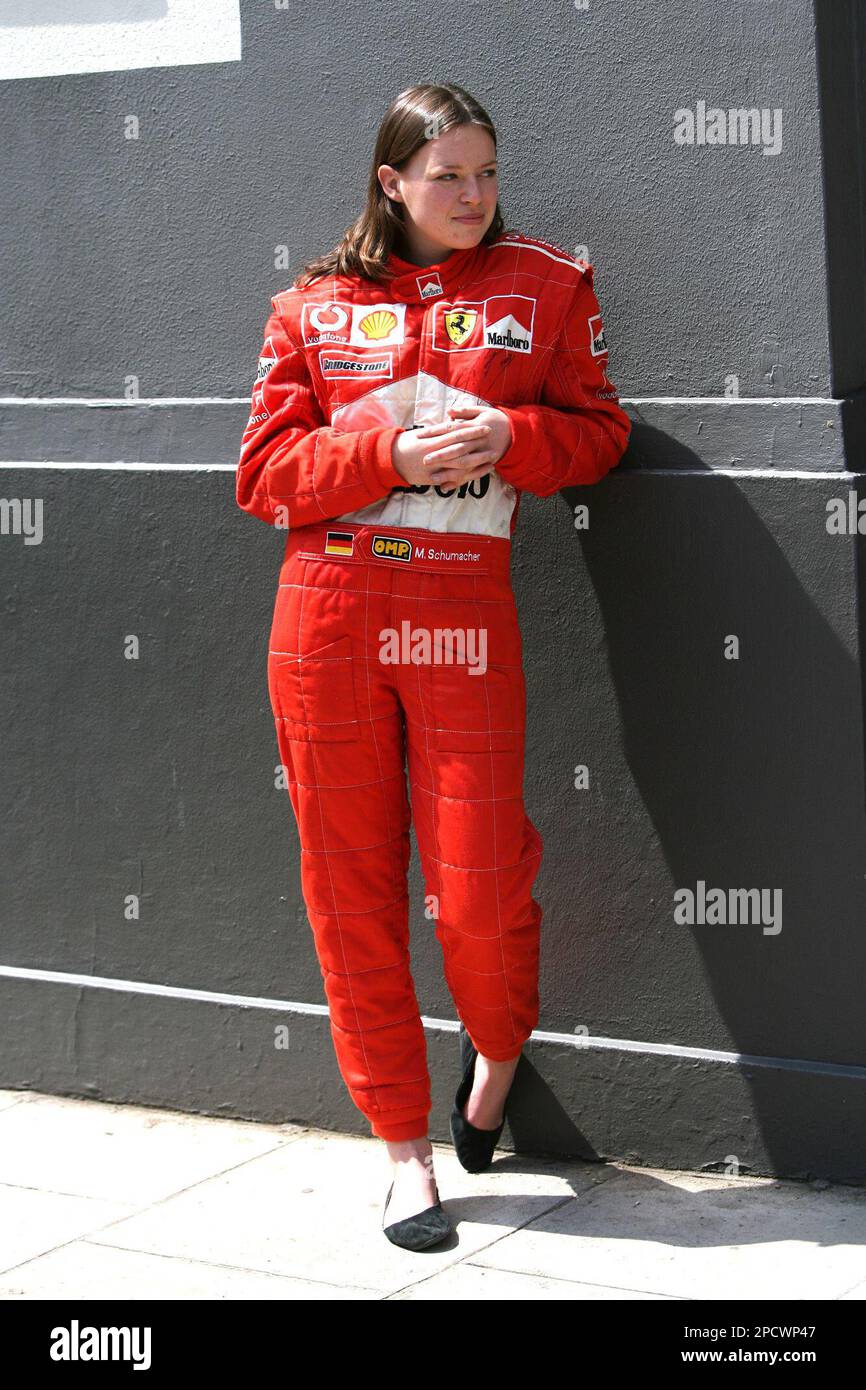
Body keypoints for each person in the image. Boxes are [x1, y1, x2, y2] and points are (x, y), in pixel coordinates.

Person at [236, 82, 631, 1249]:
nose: (472, 197)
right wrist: (385, 451)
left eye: (487, 173)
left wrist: (515, 435)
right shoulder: (309, 305)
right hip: (327, 610)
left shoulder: (547, 284)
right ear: (389, 181)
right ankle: (404, 1156)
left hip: (461, 612)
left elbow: (600, 434)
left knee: (478, 876)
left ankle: (496, 1049)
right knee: (348, 887)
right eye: (446, 175)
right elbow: (262, 478)